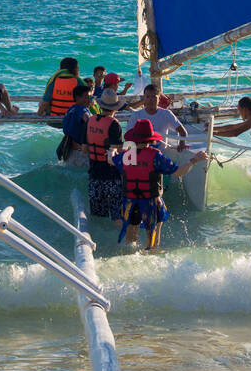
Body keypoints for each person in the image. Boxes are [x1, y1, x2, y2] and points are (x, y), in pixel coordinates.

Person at [109, 118, 205, 250]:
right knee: (153, 237)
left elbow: (111, 160)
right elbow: (178, 172)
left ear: (134, 138)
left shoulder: (126, 156)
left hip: (130, 202)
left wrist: (112, 151)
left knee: (130, 237)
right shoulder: (156, 156)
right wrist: (194, 160)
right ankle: (152, 251)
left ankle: (129, 253)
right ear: (151, 138)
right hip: (151, 202)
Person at [85, 87, 124, 224]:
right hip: (111, 175)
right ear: (115, 108)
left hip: (94, 174)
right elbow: (117, 152)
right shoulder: (114, 125)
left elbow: (85, 148)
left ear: (101, 106)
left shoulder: (90, 120)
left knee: (97, 214)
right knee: (116, 213)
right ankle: (116, 242)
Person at [140, 83, 189, 148]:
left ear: (159, 98)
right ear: (144, 98)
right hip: (142, 154)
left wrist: (181, 144)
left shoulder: (166, 114)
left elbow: (182, 132)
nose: (150, 100)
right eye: (148, 97)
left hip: (161, 154)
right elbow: (129, 137)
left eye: (154, 97)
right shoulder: (136, 115)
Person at [58, 83, 91, 164]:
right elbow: (87, 120)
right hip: (80, 152)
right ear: (77, 97)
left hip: (69, 151)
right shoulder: (82, 109)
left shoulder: (71, 109)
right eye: (86, 97)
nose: (89, 99)